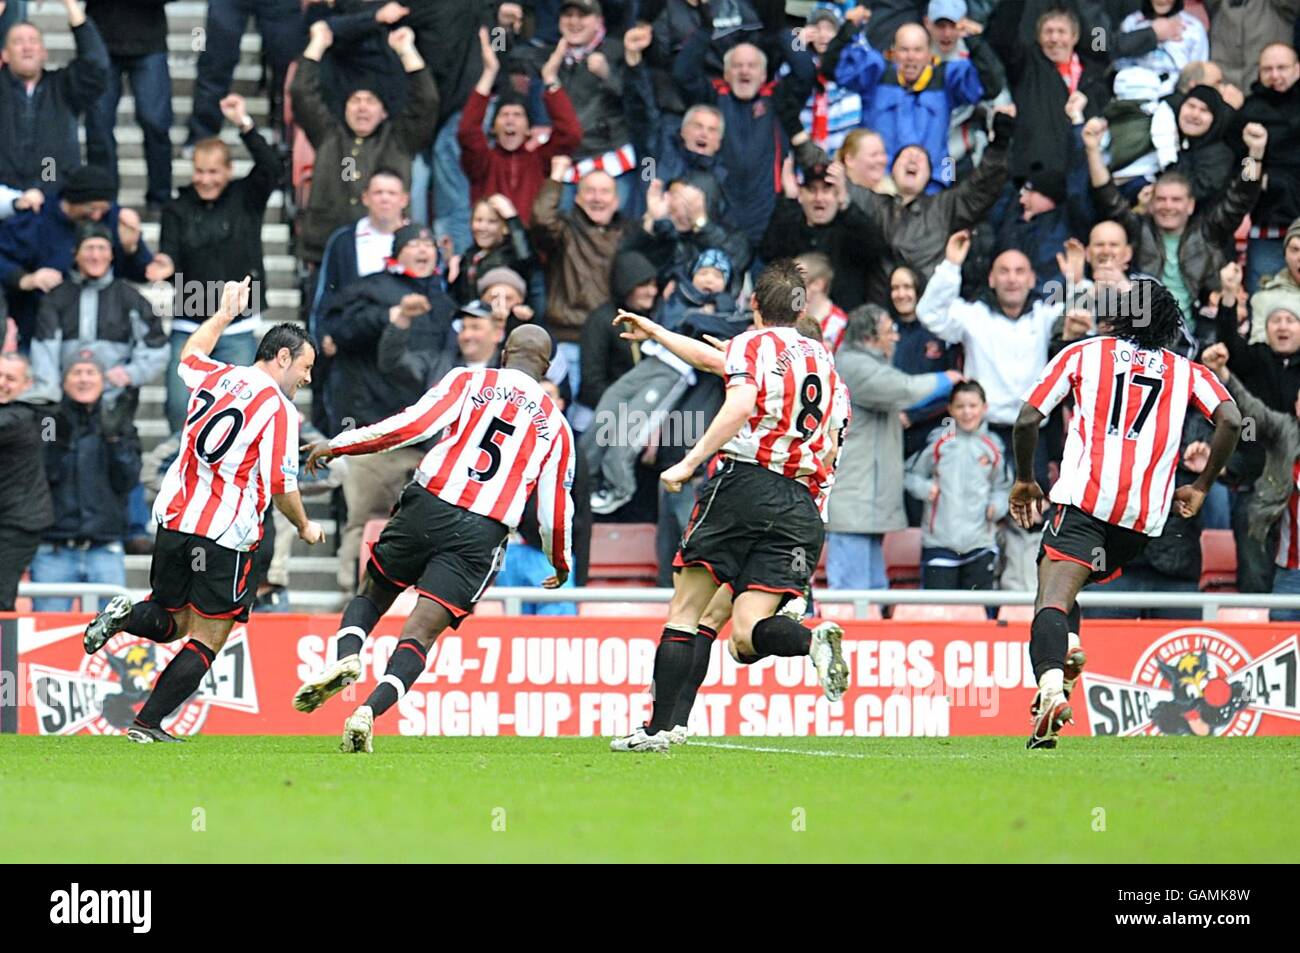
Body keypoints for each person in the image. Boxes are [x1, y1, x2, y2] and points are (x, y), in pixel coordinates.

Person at [293, 325, 576, 754]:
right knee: (421, 632)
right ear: (547, 367)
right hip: (482, 530)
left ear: (504, 353)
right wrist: (560, 561)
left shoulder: (469, 380)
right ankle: (369, 711)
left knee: (375, 592)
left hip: (429, 504)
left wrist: (340, 444)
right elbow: (556, 509)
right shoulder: (556, 426)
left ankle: (346, 657)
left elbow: (410, 426)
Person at [607, 260, 849, 753]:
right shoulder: (825, 363)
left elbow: (738, 402)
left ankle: (655, 730)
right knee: (742, 631)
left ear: (754, 305)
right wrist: (655, 330)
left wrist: (688, 462)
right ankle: (810, 640)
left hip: (743, 487)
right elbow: (715, 361)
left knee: (685, 610)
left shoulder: (752, 346)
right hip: (801, 503)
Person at [80, 278, 325, 743]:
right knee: (209, 636)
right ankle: (146, 724)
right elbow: (280, 482)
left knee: (170, 620)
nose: (308, 379)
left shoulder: (213, 376)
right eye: (306, 367)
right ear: (283, 357)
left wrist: (225, 312)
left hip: (174, 519)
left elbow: (189, 350)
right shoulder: (278, 408)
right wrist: (306, 525)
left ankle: (124, 617)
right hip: (226, 533)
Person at [1010, 278, 1242, 749]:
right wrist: (1200, 486)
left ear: (1119, 314)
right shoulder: (1186, 370)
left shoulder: (1083, 353)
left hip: (1085, 502)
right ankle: (1069, 645)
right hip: (1141, 522)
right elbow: (1233, 420)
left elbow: (1028, 419)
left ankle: (1052, 686)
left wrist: (1025, 478)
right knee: (1067, 579)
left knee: (1050, 597)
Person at [159, 93, 281, 431]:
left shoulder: (246, 198)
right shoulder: (176, 208)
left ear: (228, 171)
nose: (206, 179)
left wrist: (244, 124)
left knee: (237, 411)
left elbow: (272, 166)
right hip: (189, 324)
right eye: (199, 171)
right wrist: (163, 268)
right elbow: (168, 254)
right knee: (178, 407)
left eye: (214, 171)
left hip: (237, 326)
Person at [825, 304, 958, 590]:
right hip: (853, 503)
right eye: (889, 332)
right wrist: (948, 379)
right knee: (852, 596)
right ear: (870, 337)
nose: (895, 338)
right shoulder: (853, 365)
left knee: (873, 592)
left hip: (864, 506)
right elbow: (904, 389)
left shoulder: (866, 363)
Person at [30, 354, 140, 611]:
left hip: (105, 547)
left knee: (110, 644)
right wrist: (58, 443)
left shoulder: (118, 421)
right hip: (54, 549)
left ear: (102, 380)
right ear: (63, 380)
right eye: (76, 372)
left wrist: (114, 440)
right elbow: (40, 475)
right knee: (47, 637)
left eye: (91, 372)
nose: (83, 379)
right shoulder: (48, 420)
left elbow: (128, 480)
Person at [1201, 341, 1300, 621]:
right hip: (1289, 571)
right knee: (1277, 642)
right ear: (1295, 406)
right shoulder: (1285, 430)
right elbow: (1251, 408)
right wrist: (1223, 374)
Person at [28, 221, 167, 406]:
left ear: (111, 255)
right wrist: (51, 393)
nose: (95, 256)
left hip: (116, 399)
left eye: (102, 248)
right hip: (63, 401)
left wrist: (130, 374)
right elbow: (44, 350)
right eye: (89, 248)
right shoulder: (55, 298)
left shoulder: (131, 298)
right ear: (75, 254)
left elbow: (157, 347)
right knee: (50, 434)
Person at [458, 26, 581, 227]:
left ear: (528, 129)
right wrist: (489, 73)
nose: (510, 120)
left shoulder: (541, 160)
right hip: (493, 250)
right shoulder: (482, 163)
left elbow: (571, 133)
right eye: (504, 115)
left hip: (535, 252)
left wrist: (550, 78)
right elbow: (467, 131)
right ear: (493, 127)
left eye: (517, 116)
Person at [905, 380, 1010, 597]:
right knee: (939, 613)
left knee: (979, 615)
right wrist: (925, 489)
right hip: (939, 542)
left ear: (984, 408)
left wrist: (997, 505)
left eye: (973, 406)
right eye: (960, 406)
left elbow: (1004, 488)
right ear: (950, 409)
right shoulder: (938, 442)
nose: (967, 412)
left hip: (980, 543)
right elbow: (908, 475)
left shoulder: (994, 446)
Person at [0, 0, 108, 197]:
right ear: (4, 55)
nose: (27, 47)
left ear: (44, 53)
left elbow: (96, 65)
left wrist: (70, 5)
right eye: (18, 42)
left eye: (33, 41)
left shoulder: (63, 87)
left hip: (51, 193)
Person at [0, 352, 53, 609]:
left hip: (17, 523)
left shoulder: (22, 416)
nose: (2, 383)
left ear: (27, 385)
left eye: (10, 378)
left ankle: (5, 650)